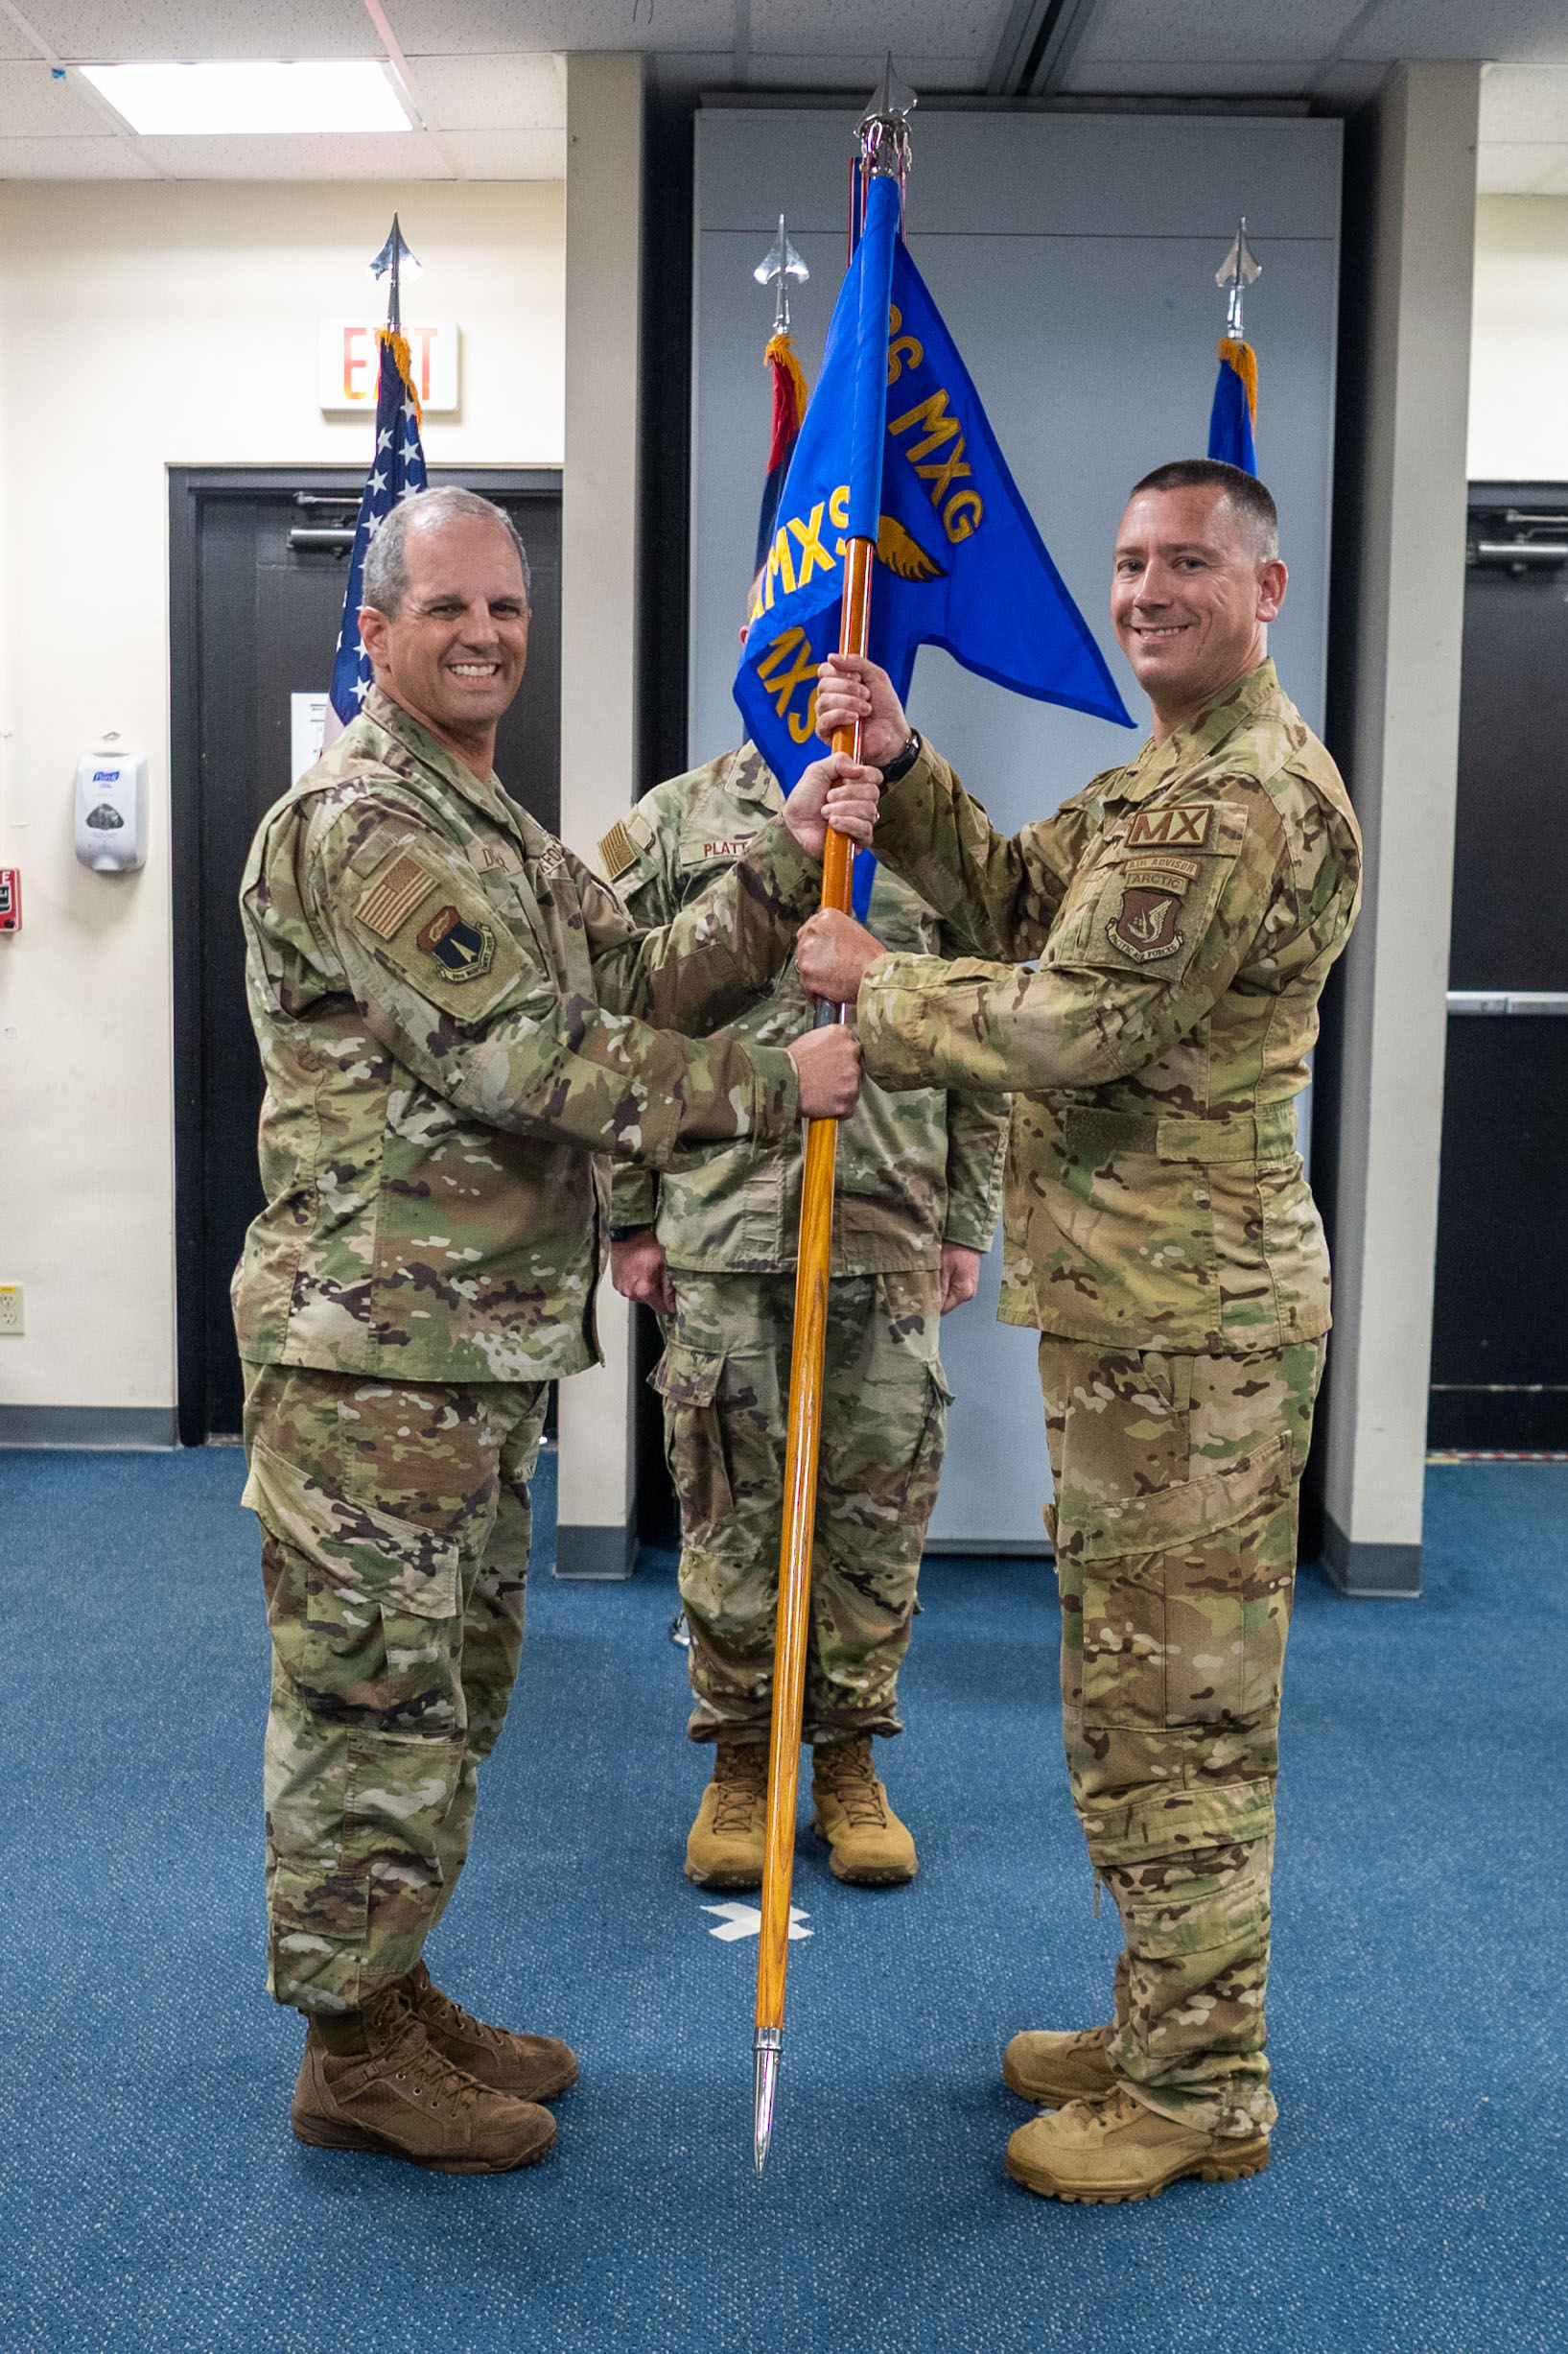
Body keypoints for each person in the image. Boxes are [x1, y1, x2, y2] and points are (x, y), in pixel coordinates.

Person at [233, 486, 878, 2175]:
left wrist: (779, 847)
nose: (484, 634)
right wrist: (769, 1083)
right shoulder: (368, 821)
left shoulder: (496, 821)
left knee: (449, 1690)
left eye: (505, 607)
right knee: (372, 1701)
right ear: (375, 630)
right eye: (446, 608)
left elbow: (638, 979)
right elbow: (516, 1062)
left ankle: (391, 1980)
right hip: (371, 1352)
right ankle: (347, 2046)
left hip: (472, 1348)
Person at [798, 459, 1362, 2204]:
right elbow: (1032, 897)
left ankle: (1204, 2084)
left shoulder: (1242, 796)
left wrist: (867, 988)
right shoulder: (1165, 779)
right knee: (1135, 1695)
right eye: (1127, 562)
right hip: (1144, 1313)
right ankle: (1163, 2021)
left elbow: (1083, 1022)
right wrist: (904, 768)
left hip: (1190, 1334)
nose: (1142, 592)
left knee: (1178, 1713)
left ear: (1264, 591)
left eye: (1183, 563)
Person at [599, 736, 1006, 1891]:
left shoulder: (925, 830)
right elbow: (624, 1021)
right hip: (722, 1228)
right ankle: (739, 1760)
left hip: (888, 1226)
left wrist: (968, 1220)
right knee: (730, 1508)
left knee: (874, 1517)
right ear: (757, 641)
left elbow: (977, 1036)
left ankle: (848, 1765)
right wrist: (629, 1216)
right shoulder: (679, 823)